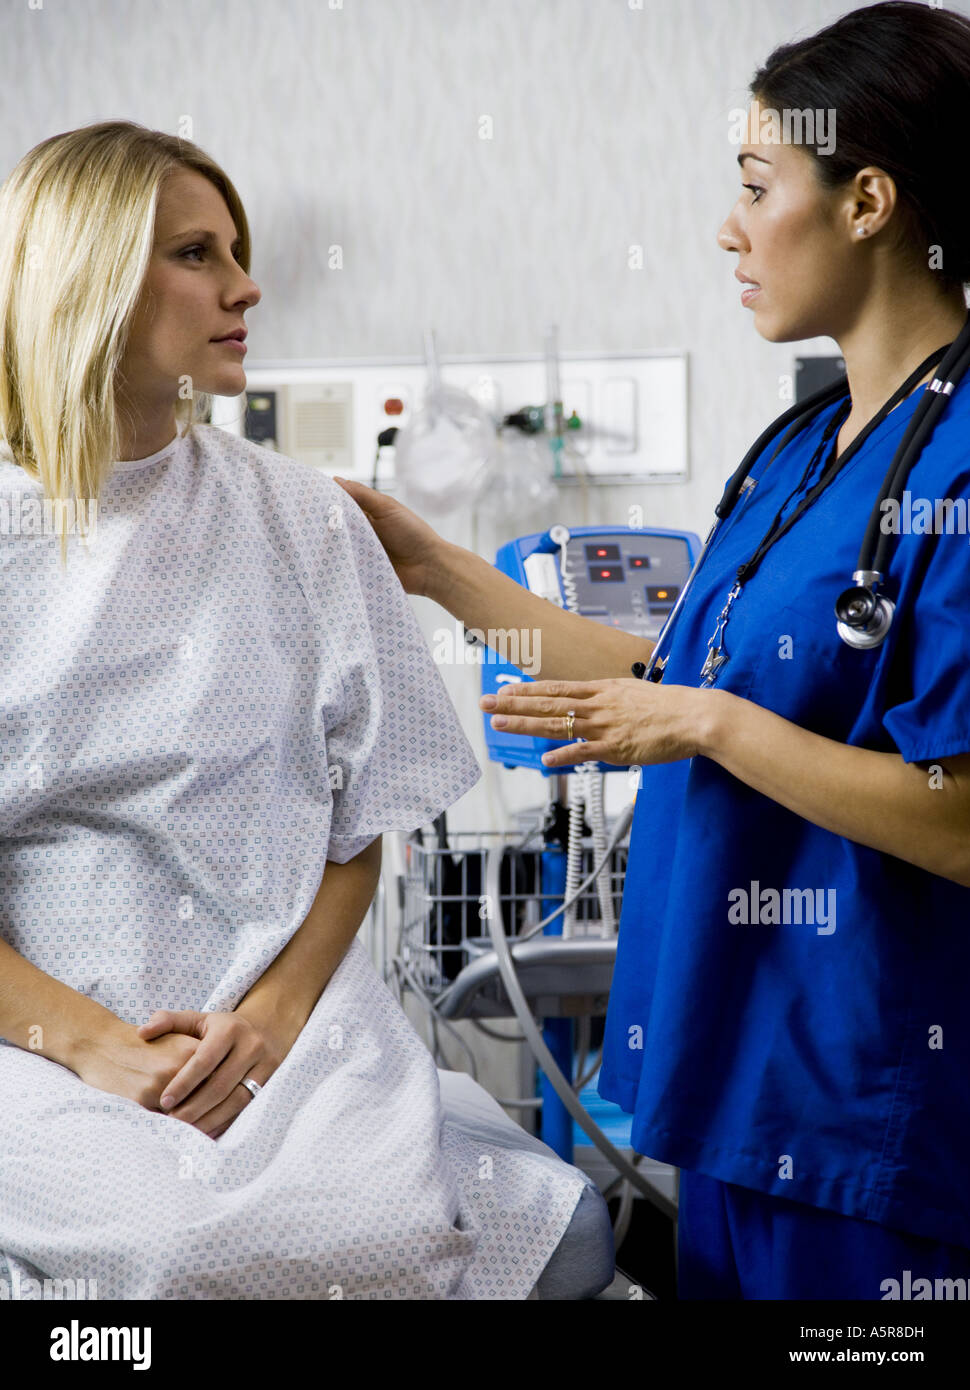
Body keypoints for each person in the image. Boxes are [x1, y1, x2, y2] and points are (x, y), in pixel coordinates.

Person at [337, 2, 970, 1299]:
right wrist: (427, 563)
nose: (726, 229)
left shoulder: (959, 459)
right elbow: (660, 680)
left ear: (867, 199)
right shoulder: (799, 454)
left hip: (872, 1117)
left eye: (755, 187)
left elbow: (958, 819)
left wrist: (705, 728)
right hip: (738, 1093)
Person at [0, 122, 592, 1300]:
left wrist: (268, 1020)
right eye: (196, 254)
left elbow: (354, 829)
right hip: (39, 1039)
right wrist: (87, 1042)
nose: (247, 284)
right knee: (167, 1254)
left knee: (391, 1241)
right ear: (87, 277)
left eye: (236, 249)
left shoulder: (304, 520)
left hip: (295, 1026)